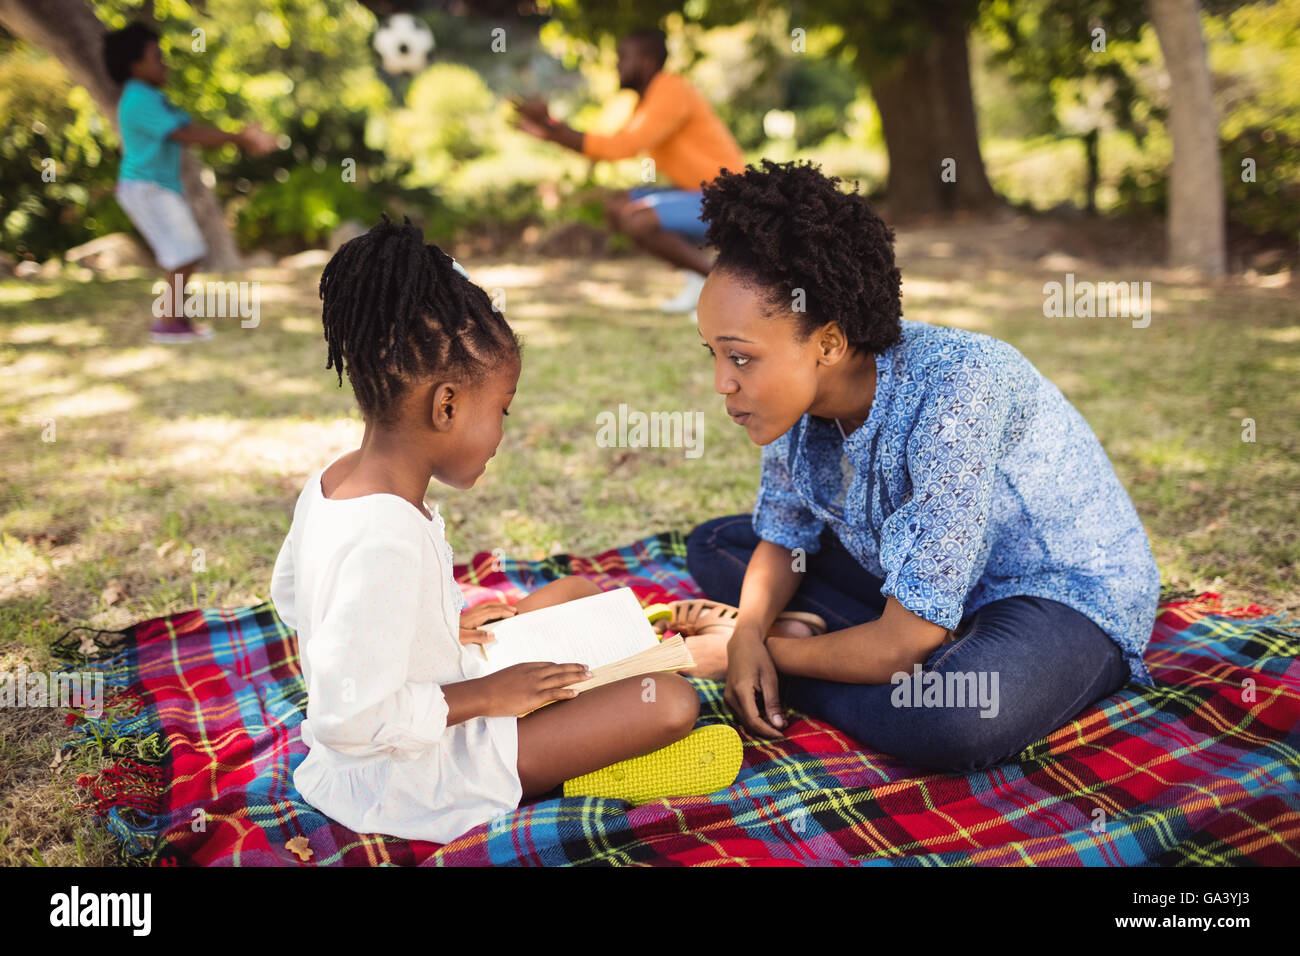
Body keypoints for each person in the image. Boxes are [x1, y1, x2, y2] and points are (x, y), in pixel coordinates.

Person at [269, 217, 738, 844]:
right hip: (411, 770)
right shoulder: (383, 538)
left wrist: (422, 630)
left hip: (437, 692)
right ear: (446, 406)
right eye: (502, 412)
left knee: (572, 592)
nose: (503, 434)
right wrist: (488, 696)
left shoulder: (333, 480)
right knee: (672, 701)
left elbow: (294, 598)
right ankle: (589, 766)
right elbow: (346, 717)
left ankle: (596, 697)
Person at [685, 159, 1162, 774]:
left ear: (828, 343)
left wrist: (747, 652)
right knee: (718, 544)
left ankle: (813, 650)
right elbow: (783, 534)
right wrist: (749, 630)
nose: (722, 383)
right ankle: (836, 642)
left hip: (1057, 592)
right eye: (714, 355)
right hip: (917, 581)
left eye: (741, 358)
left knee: (950, 717)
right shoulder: (792, 402)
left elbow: (901, 646)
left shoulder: (961, 388)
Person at [513, 28, 744, 316]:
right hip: (695, 194)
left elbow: (621, 146)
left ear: (646, 61)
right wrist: (548, 127)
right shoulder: (648, 100)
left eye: (623, 58)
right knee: (619, 207)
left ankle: (725, 289)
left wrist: (552, 128)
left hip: (729, 200)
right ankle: (697, 280)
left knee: (637, 219)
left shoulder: (671, 89)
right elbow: (605, 143)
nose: (617, 66)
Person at [102, 22, 276, 343]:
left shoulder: (152, 97)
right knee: (184, 253)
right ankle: (168, 323)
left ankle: (175, 319)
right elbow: (187, 135)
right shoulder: (138, 99)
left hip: (155, 187)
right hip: (145, 187)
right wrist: (240, 138)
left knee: (186, 251)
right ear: (135, 64)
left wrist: (243, 136)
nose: (164, 62)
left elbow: (191, 128)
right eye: (156, 56)